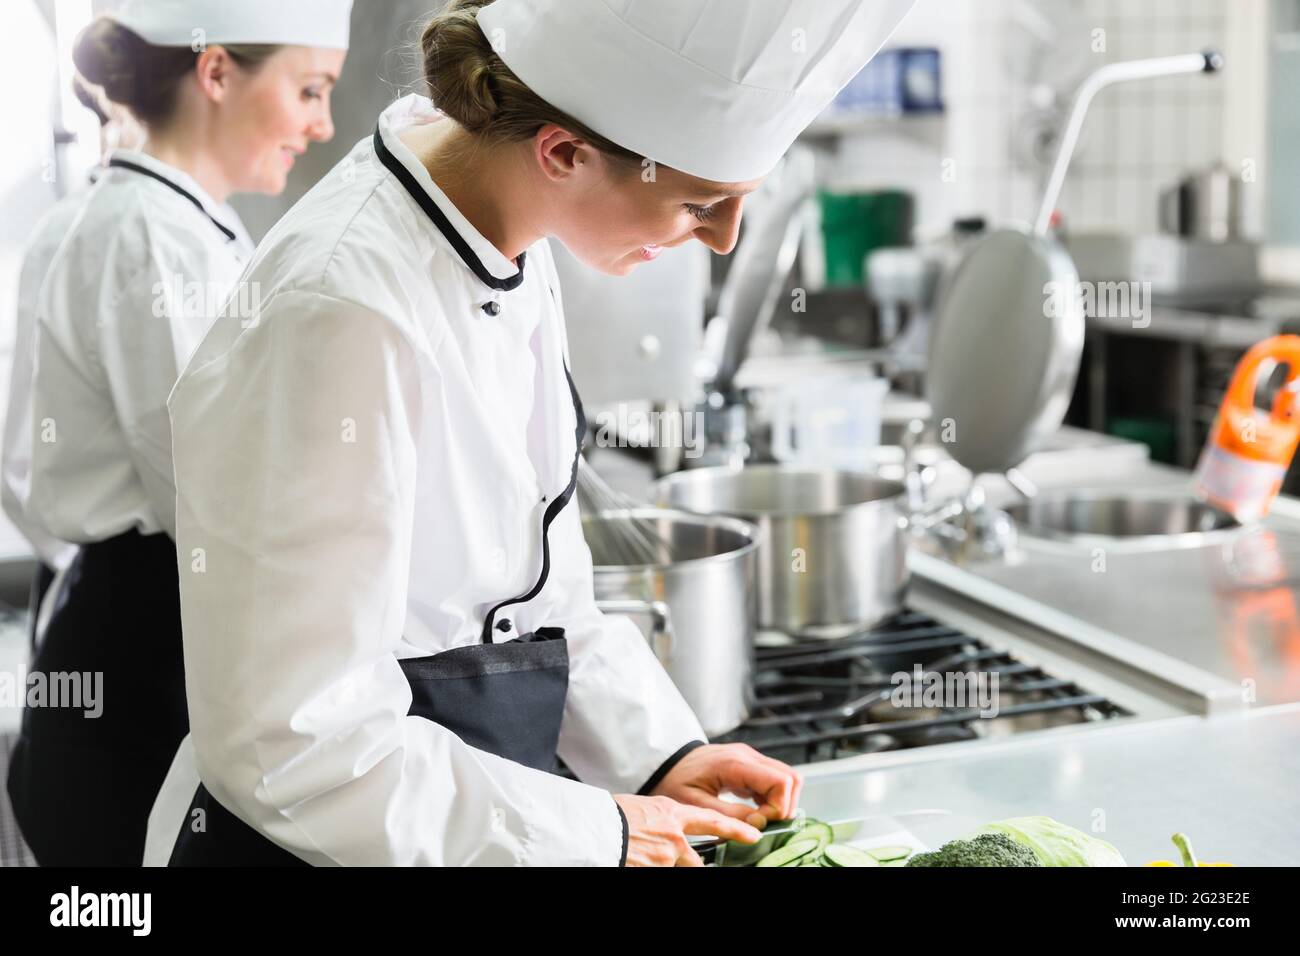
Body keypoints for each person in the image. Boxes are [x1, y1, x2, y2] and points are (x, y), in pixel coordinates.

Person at [148, 0, 914, 867]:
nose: (724, 240)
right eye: (701, 204)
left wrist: (661, 757)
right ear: (563, 154)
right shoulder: (339, 311)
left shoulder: (512, 231)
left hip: (461, 815)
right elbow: (295, 744)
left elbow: (539, 600)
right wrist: (594, 829)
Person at [5, 0, 352, 866]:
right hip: (149, 651)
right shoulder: (152, 239)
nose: (323, 123)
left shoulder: (155, 219)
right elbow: (217, 493)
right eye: (310, 89)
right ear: (216, 71)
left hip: (114, 618)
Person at [2, 76, 144, 649]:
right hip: (105, 594)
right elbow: (19, 460)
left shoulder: (211, 228)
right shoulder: (74, 232)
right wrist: (87, 564)